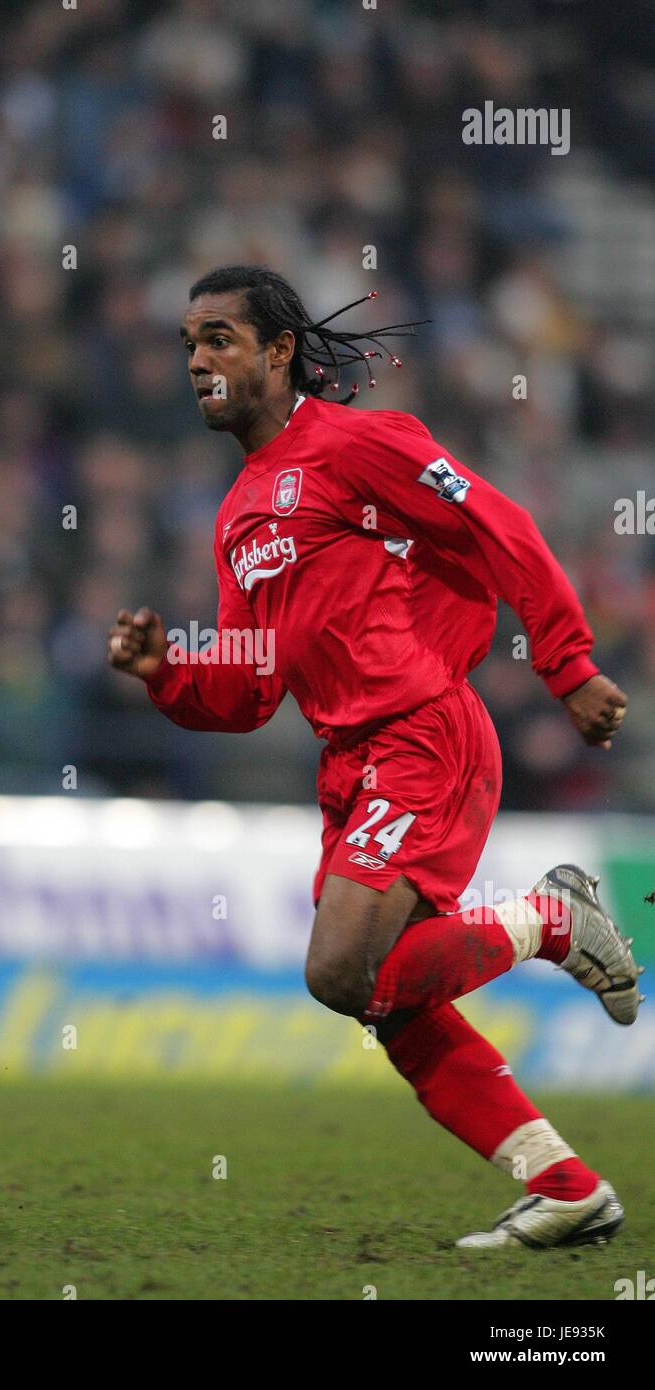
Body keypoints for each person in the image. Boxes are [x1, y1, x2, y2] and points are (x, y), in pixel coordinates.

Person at [108, 265, 642, 1250]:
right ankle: (562, 1185)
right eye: (186, 343)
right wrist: (167, 670)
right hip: (347, 766)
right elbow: (251, 687)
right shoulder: (237, 516)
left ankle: (551, 917)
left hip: (421, 734)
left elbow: (500, 524)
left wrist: (565, 662)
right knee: (382, 991)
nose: (195, 361)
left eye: (217, 338)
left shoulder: (365, 444)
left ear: (277, 350)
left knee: (338, 967)